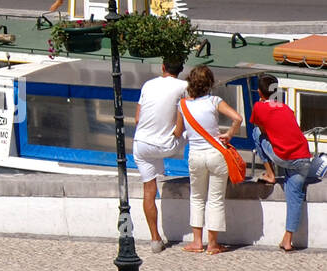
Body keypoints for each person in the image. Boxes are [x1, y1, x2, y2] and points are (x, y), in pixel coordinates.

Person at [250, 74, 327, 252]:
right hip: (303, 158)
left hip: (284, 157)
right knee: (295, 196)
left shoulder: (259, 107)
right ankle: (288, 239)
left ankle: (269, 174)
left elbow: (262, 130)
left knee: (255, 133)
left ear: (260, 92)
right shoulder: (286, 108)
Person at [173, 65, 244, 254]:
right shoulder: (214, 101)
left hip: (195, 155)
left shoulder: (183, 105)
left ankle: (197, 242)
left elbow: (178, 132)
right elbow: (238, 118)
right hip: (216, 154)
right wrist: (228, 134)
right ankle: (213, 245)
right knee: (215, 200)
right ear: (209, 83)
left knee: (196, 197)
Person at [132, 57, 189, 253]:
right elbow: (188, 114)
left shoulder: (148, 85)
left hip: (141, 144)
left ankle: (155, 239)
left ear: (163, 67)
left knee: (149, 190)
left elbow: (138, 118)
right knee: (193, 130)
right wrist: (176, 132)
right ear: (180, 70)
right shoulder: (184, 86)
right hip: (166, 145)